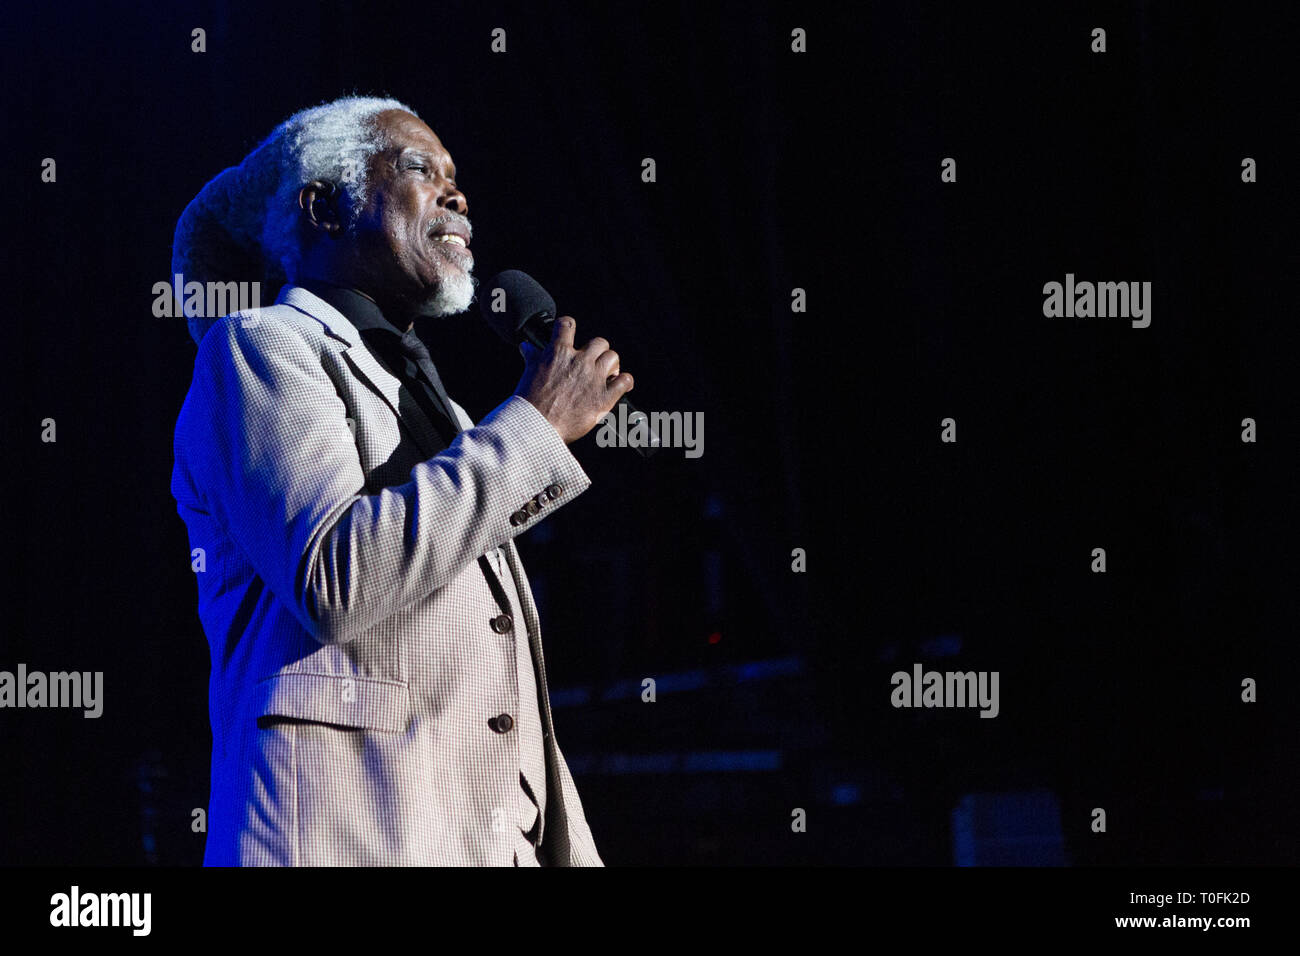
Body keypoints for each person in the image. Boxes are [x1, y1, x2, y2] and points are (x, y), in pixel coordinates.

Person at [169, 96, 631, 866]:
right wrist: (533, 429)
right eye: (420, 168)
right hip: (345, 837)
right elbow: (334, 577)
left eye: (457, 178)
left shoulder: (447, 415)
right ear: (325, 207)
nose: (457, 195)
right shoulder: (258, 348)